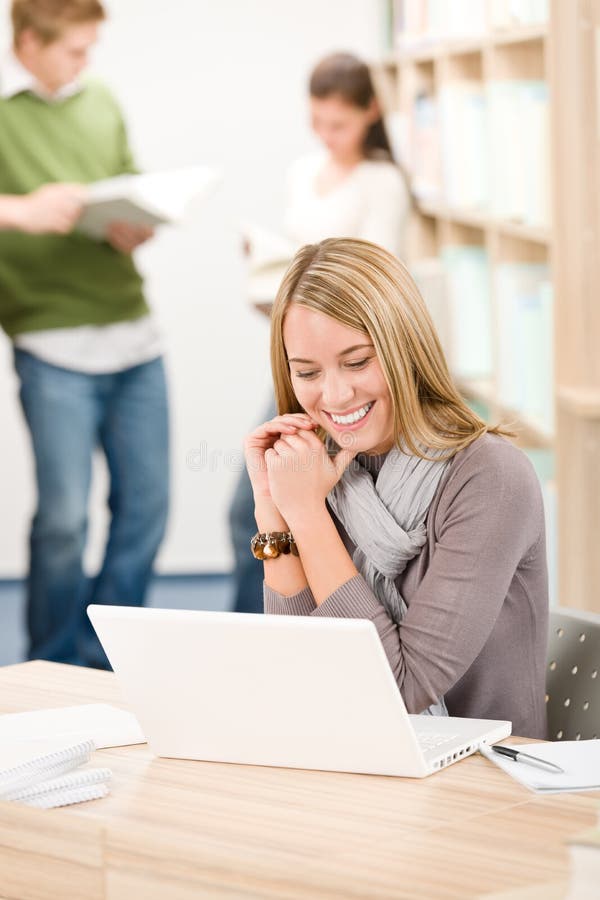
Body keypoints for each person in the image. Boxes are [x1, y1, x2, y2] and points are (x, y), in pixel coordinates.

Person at [244, 238, 549, 738]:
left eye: (358, 362)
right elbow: (297, 667)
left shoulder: (491, 478)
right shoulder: (319, 467)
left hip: (481, 784)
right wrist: (272, 512)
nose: (336, 395)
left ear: (403, 348)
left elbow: (401, 691)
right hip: (358, 756)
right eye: (307, 372)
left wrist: (308, 516)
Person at [0, 0, 169, 668]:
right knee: (64, 522)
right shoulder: (6, 120)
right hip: (52, 346)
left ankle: (106, 663)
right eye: (73, 50)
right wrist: (21, 210)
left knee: (146, 508)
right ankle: (49, 663)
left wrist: (136, 221)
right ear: (27, 45)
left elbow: (126, 184)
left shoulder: (101, 99)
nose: (85, 63)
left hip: (134, 335)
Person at [229, 51, 410, 614]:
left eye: (340, 123)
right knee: (252, 508)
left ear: (370, 112)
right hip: (303, 352)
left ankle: (290, 635)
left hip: (346, 359)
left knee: (304, 505)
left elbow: (377, 281)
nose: (328, 136)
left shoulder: (383, 182)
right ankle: (258, 630)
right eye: (318, 123)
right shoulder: (303, 172)